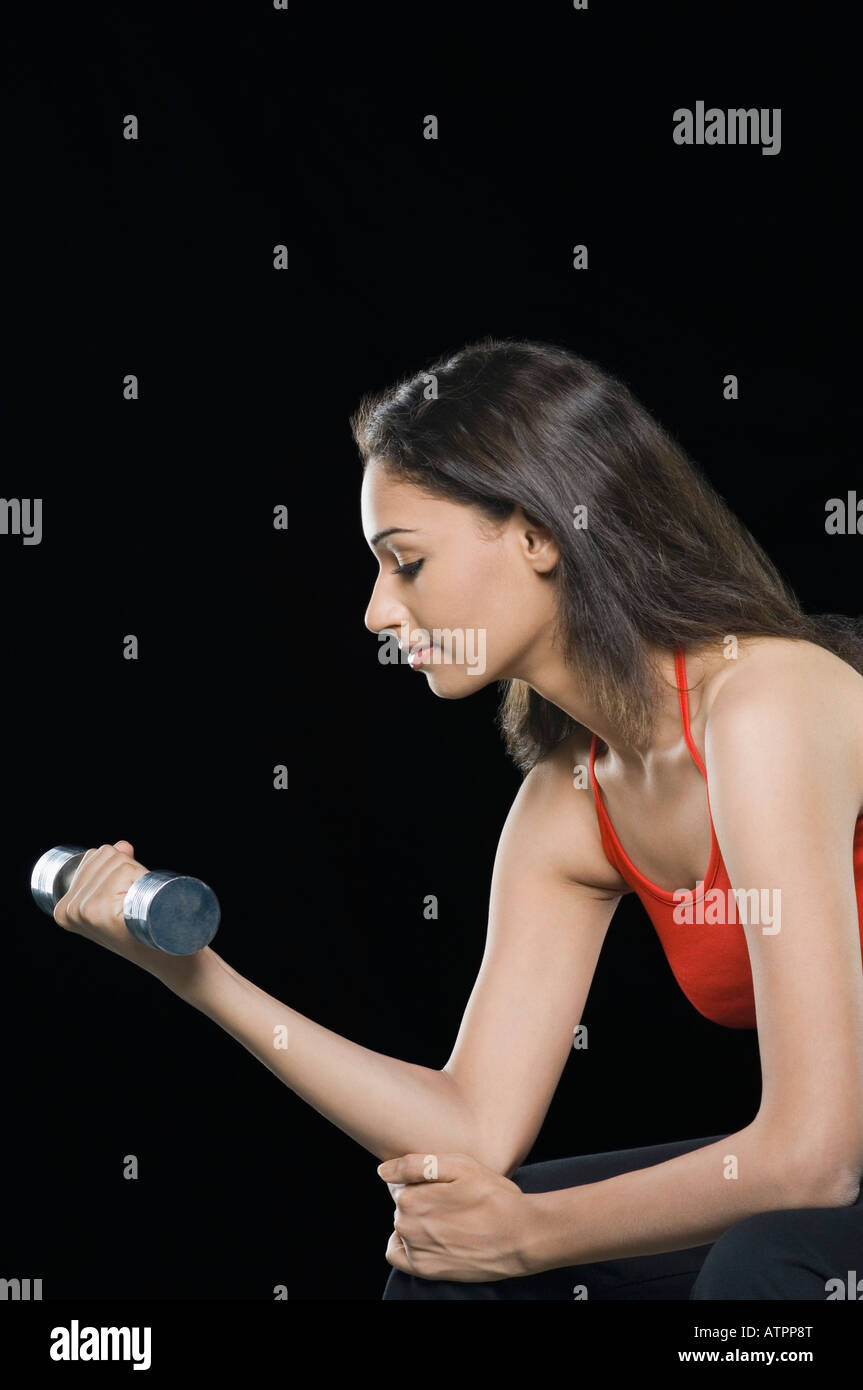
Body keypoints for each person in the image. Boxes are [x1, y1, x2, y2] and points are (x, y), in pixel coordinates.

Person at [53, 338, 863, 1299]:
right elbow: (472, 1128)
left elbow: (815, 1158)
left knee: (766, 1264)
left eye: (406, 563)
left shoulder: (767, 701)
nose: (374, 613)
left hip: (826, 1183)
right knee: (445, 1266)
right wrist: (195, 974)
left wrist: (531, 1234)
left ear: (536, 535)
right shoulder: (568, 807)